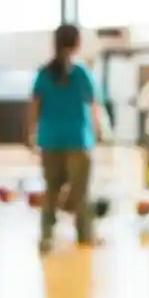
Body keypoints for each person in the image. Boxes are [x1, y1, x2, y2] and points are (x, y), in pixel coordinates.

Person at [29, 24, 104, 254]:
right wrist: (98, 132)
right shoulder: (81, 73)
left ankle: (47, 237)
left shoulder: (44, 73)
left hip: (50, 139)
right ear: (77, 43)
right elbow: (94, 106)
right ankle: (85, 236)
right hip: (77, 139)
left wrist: (31, 134)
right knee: (80, 192)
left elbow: (34, 106)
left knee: (51, 191)